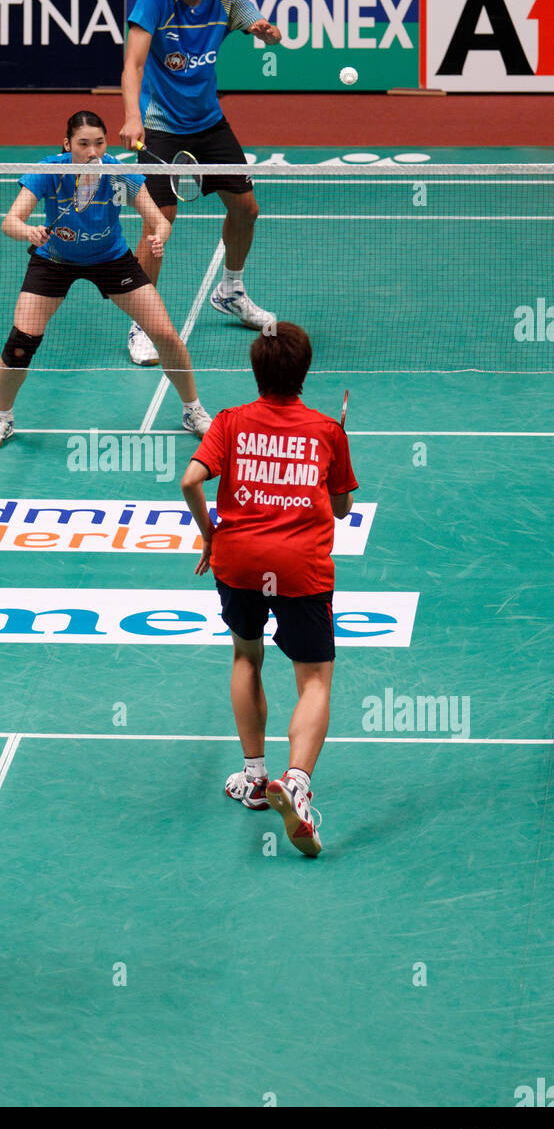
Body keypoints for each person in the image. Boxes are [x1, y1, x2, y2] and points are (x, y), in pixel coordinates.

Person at [180, 323, 358, 857]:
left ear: (256, 373)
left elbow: (190, 481)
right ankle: (296, 785)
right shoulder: (328, 430)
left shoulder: (231, 422)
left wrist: (211, 538)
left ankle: (255, 777)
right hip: (299, 567)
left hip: (238, 560)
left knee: (246, 657)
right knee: (314, 681)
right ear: (303, 374)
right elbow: (344, 509)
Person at [0, 109, 212, 449]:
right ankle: (2, 417)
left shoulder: (119, 173)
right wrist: (28, 231)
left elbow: (158, 219)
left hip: (111, 260)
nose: (92, 152)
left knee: (164, 334)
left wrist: (160, 235)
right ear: (67, 144)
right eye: (83, 144)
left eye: (99, 143)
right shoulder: (50, 171)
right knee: (21, 341)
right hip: (55, 259)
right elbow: (10, 221)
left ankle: (193, 410)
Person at [120, 0, 282, 366]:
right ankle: (142, 323)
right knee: (159, 225)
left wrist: (266, 33)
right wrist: (133, 116)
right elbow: (133, 65)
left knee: (246, 209)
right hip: (161, 124)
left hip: (208, 121)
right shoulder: (154, 0)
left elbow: (256, 22)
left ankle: (231, 290)